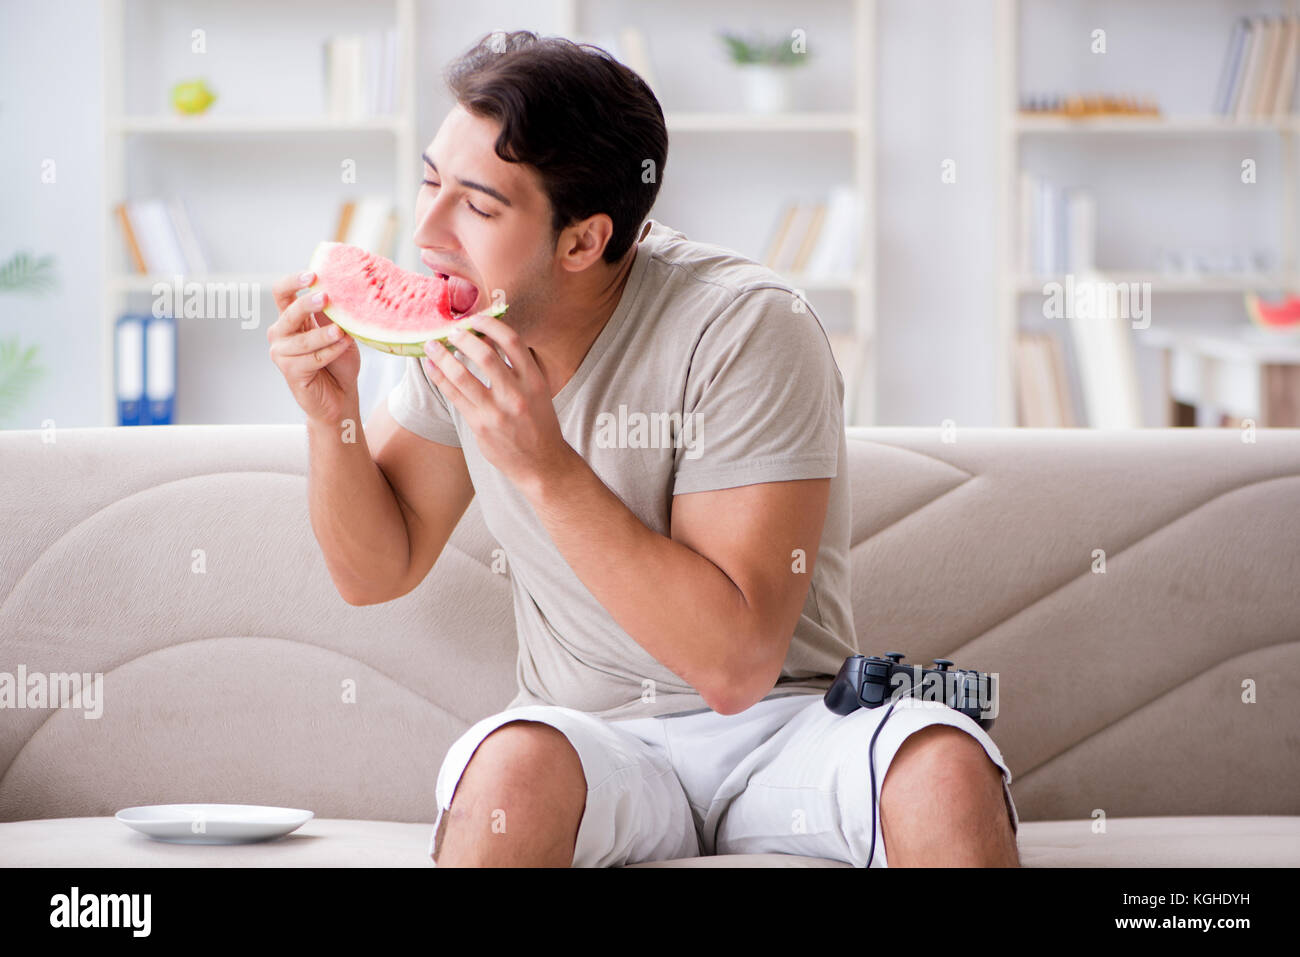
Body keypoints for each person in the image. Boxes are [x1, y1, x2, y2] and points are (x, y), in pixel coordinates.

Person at [268, 30, 1019, 867]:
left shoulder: (746, 326)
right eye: (430, 181)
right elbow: (376, 571)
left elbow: (733, 669)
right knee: (510, 771)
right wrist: (331, 417)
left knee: (945, 770)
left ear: (583, 241)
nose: (427, 230)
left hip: (782, 728)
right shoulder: (464, 331)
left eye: (477, 206)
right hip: (591, 740)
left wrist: (544, 466)